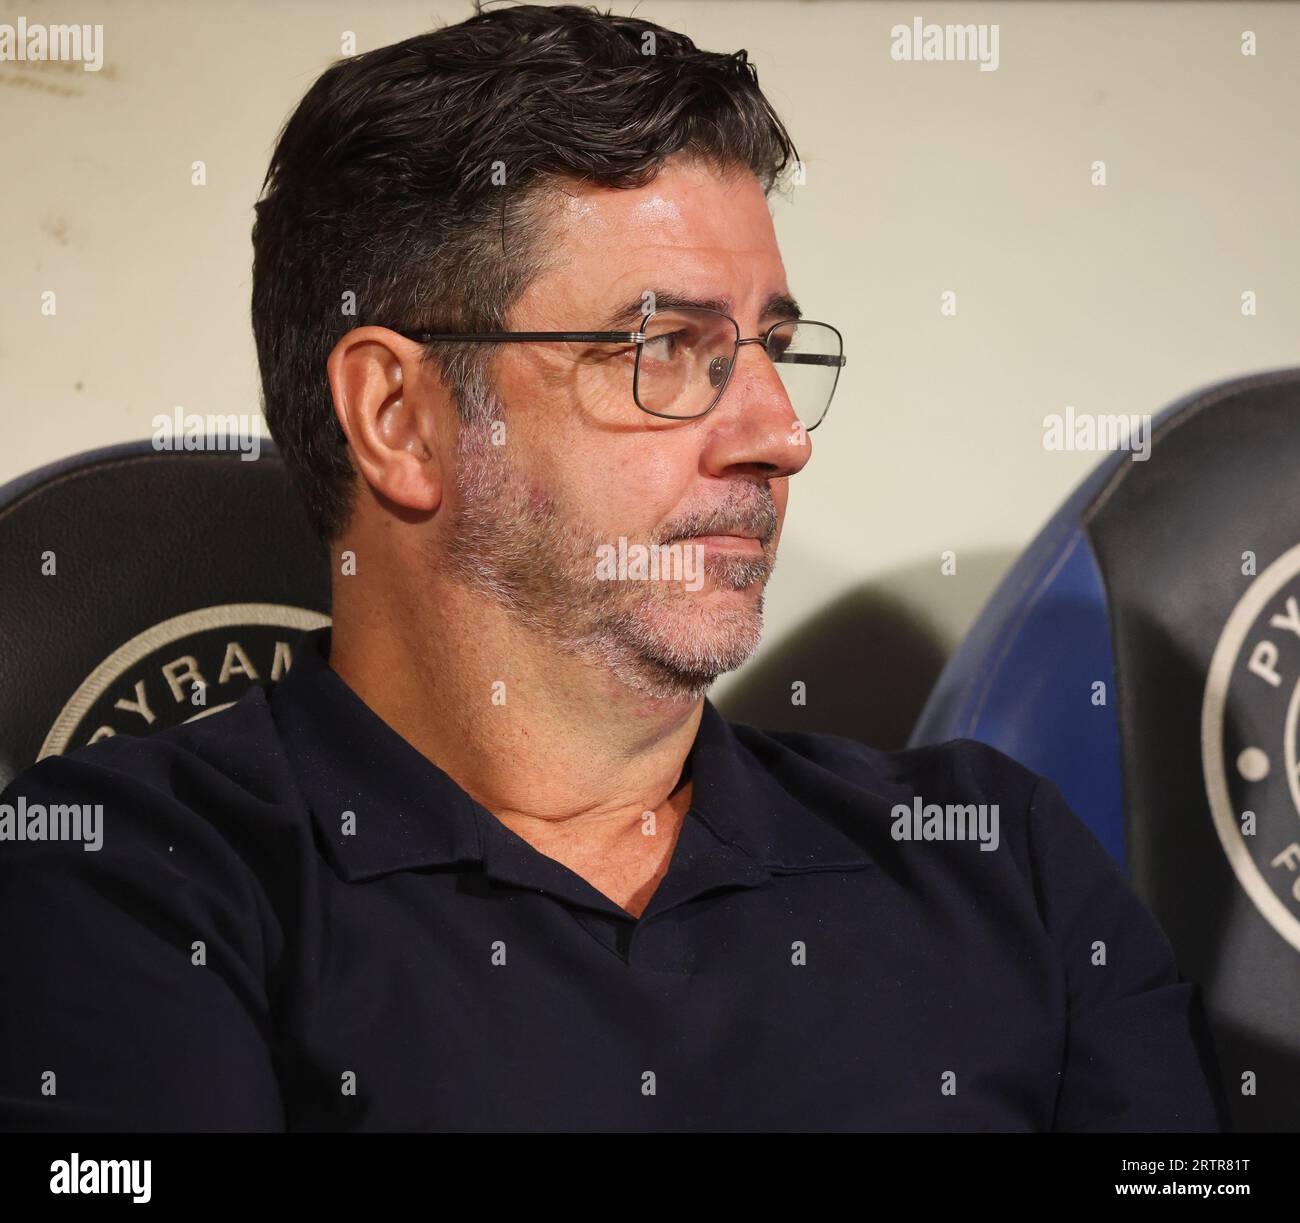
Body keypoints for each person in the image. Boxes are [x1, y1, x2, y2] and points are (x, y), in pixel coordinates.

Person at [0, 1, 1228, 1131]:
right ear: (400, 417)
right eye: (667, 347)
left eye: (774, 350)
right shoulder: (123, 887)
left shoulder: (993, 858)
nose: (778, 435)